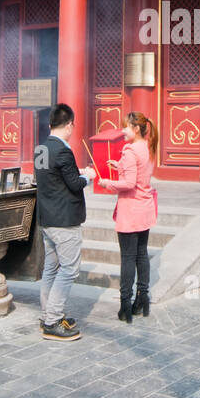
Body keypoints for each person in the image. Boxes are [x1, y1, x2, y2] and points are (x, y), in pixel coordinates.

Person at [33, 103, 95, 341]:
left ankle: (47, 315)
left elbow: (50, 178)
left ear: (50, 124)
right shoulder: (63, 151)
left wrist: (75, 172)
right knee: (68, 270)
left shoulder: (41, 149)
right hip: (64, 220)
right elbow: (74, 184)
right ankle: (53, 320)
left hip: (47, 217)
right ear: (69, 124)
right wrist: (87, 176)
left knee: (51, 268)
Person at [97, 112, 158, 323]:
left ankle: (125, 305)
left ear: (136, 129)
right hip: (145, 207)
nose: (122, 131)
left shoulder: (130, 150)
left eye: (126, 127)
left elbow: (130, 183)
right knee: (142, 254)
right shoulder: (148, 146)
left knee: (127, 258)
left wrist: (107, 183)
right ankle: (143, 298)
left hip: (131, 209)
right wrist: (120, 165)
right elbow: (139, 175)